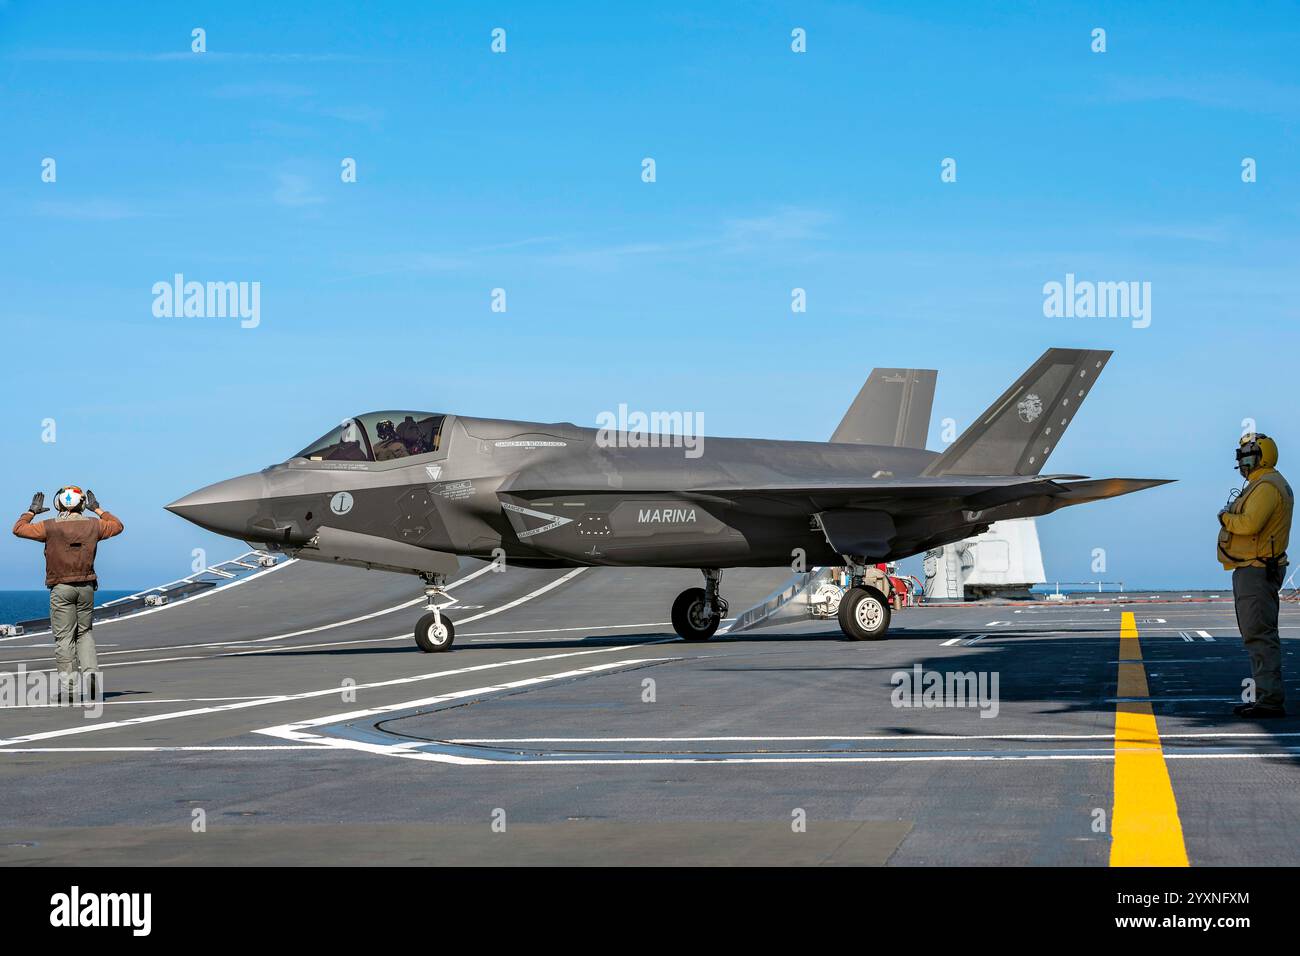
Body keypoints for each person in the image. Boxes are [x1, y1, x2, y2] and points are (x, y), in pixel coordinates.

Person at [12, 486, 124, 701]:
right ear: (83, 504)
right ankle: (90, 673)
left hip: (61, 587)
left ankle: (71, 688)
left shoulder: (49, 527)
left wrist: (31, 511)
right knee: (85, 633)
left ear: (58, 504)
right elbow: (117, 526)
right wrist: (98, 509)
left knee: (64, 638)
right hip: (87, 587)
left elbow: (18, 529)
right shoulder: (94, 525)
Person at [1218, 433, 1294, 718]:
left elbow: (1250, 524)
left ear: (1262, 457)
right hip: (1257, 568)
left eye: (1248, 456)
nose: (1242, 462)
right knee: (1258, 635)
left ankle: (1269, 701)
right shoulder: (1265, 484)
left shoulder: (1265, 487)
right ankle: (1265, 697)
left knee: (1259, 636)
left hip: (1257, 569)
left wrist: (1225, 516)